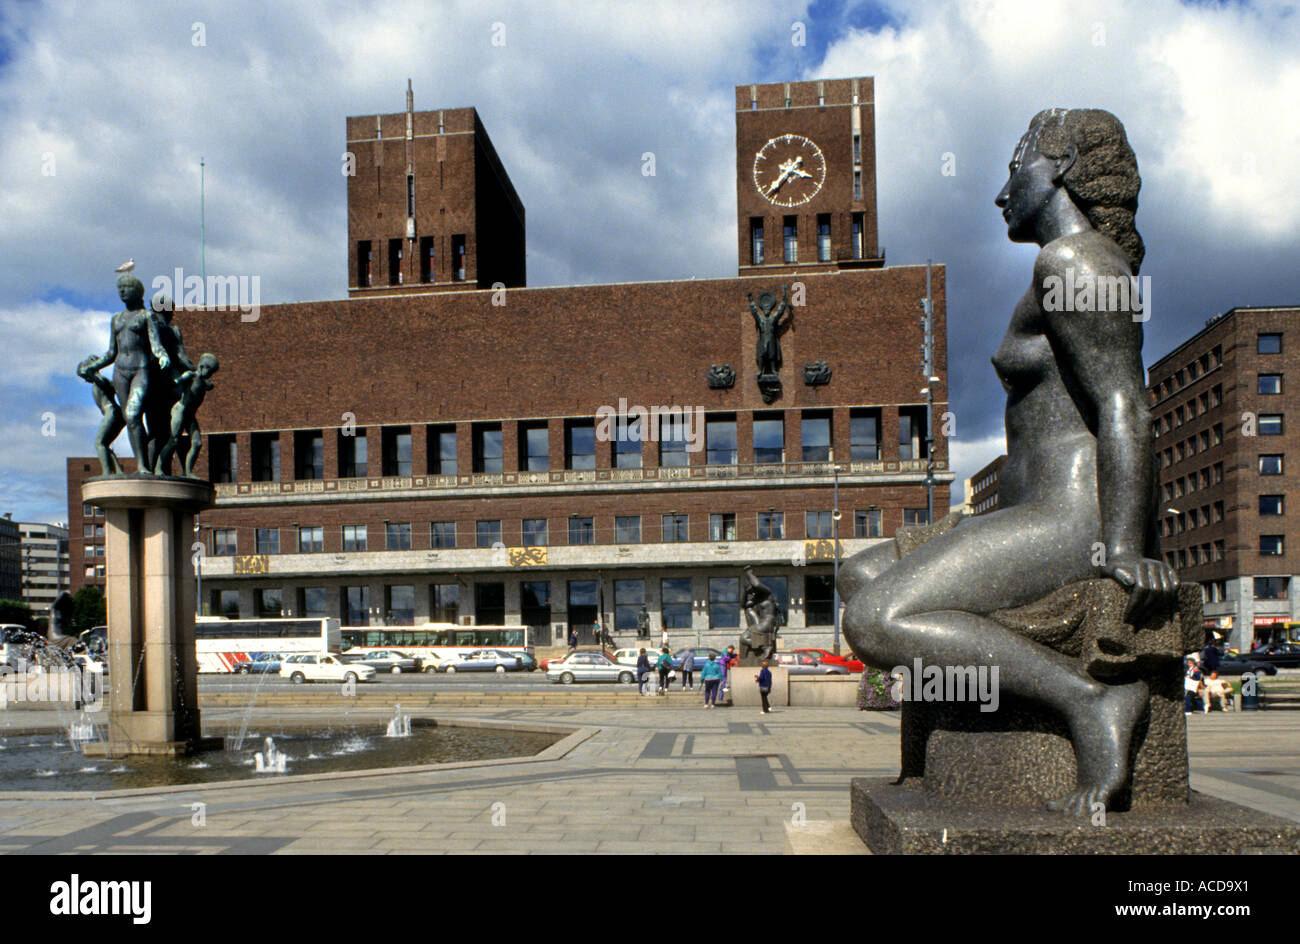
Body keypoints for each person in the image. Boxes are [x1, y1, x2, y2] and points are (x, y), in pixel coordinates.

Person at [838, 109, 1178, 817]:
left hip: (1069, 517)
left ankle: (1091, 699)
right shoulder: (1058, 266)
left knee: (873, 620)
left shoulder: (1076, 261)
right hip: (1024, 508)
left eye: (1012, 171)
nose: (1000, 194)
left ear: (1055, 167)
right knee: (857, 572)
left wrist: (1120, 549)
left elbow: (1124, 405)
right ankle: (955, 739)